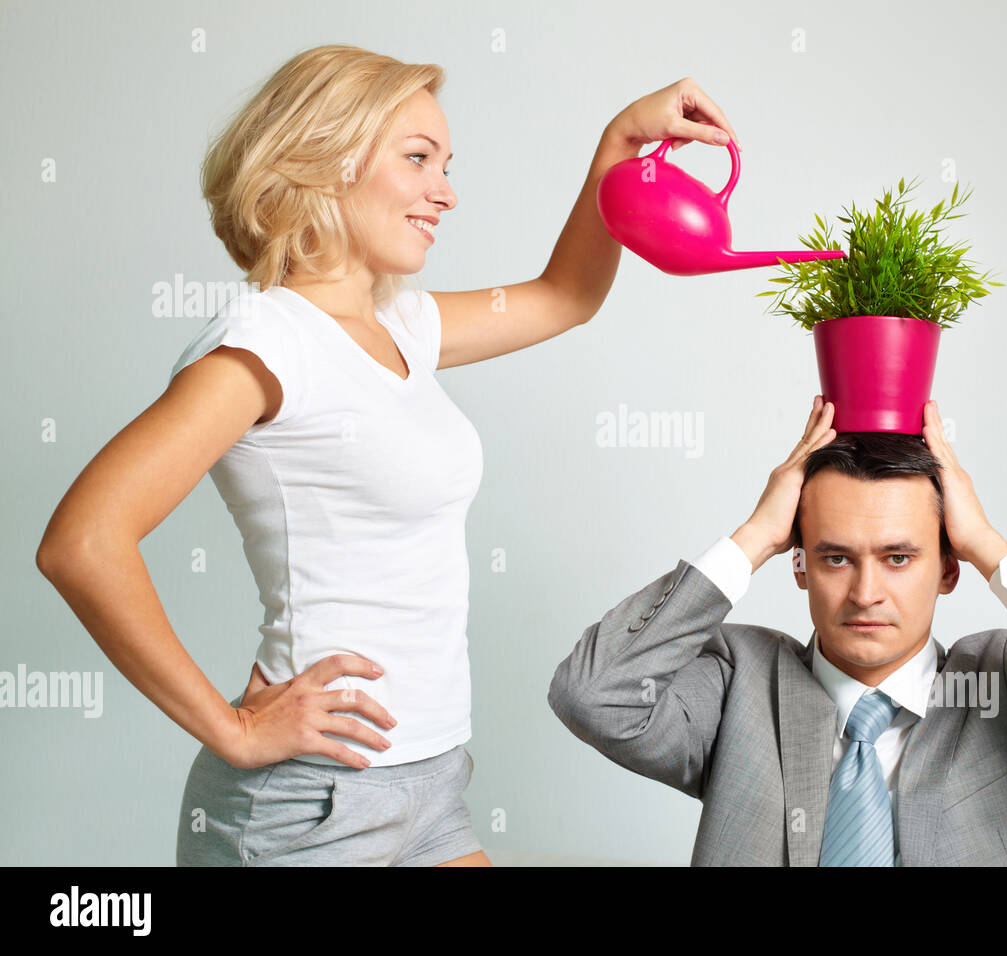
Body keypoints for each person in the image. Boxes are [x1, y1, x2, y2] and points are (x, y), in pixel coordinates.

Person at [33, 44, 741, 867]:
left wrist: (622, 138)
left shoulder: (400, 325)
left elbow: (565, 296)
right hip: (311, 805)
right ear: (326, 164)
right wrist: (232, 730)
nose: (446, 191)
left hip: (432, 785)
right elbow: (82, 543)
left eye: (445, 163)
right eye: (418, 160)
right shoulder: (265, 347)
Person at [548, 395, 1007, 865]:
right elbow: (592, 696)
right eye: (835, 557)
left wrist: (991, 548)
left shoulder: (1004, 687)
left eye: (898, 557)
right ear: (799, 566)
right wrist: (753, 538)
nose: (864, 593)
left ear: (948, 569)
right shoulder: (737, 680)